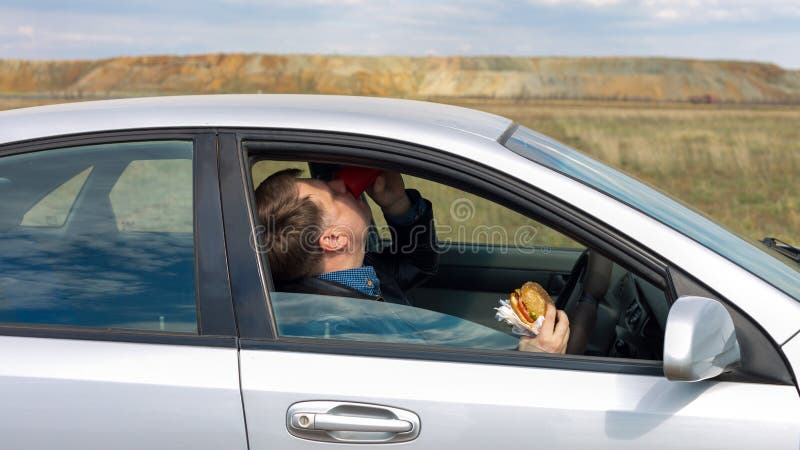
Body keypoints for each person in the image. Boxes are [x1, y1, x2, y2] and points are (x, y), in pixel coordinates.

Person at [255, 168, 569, 353]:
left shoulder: (353, 276)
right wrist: (528, 360)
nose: (340, 184)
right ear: (335, 238)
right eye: (333, 195)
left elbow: (415, 265)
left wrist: (398, 205)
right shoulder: (345, 330)